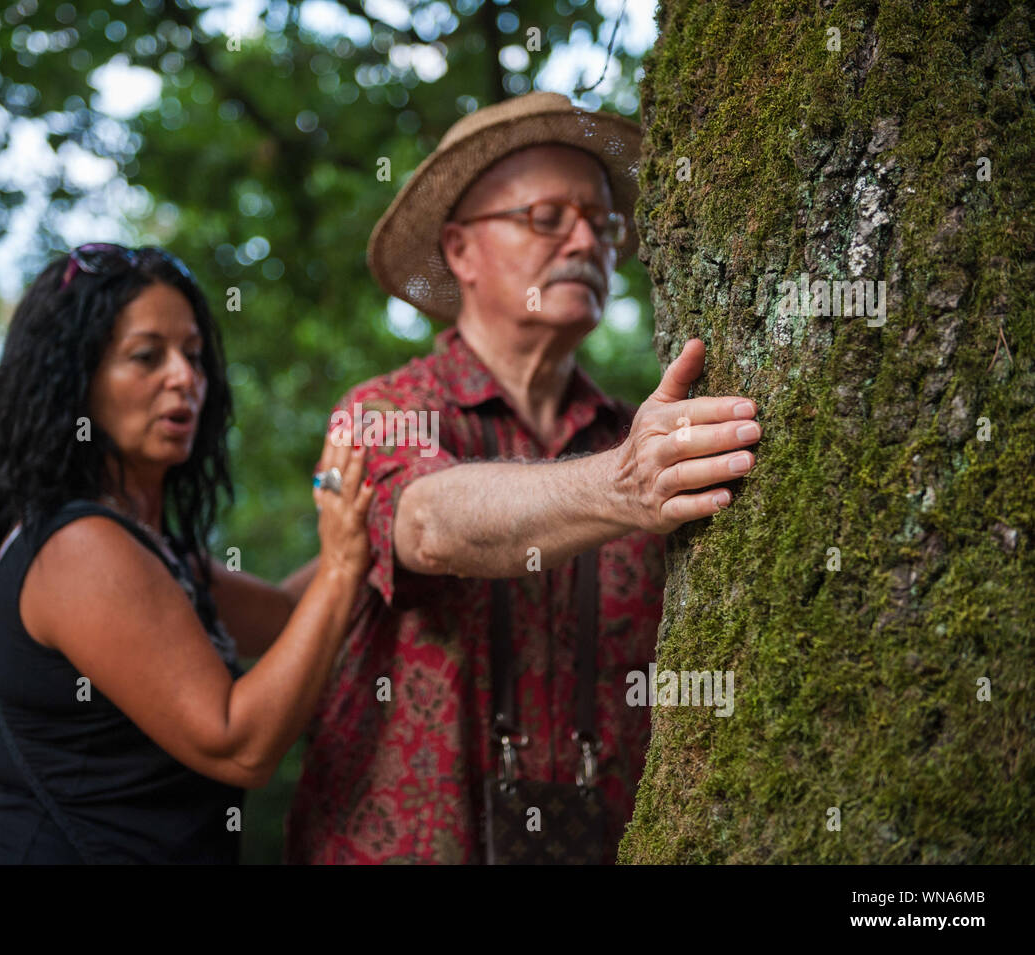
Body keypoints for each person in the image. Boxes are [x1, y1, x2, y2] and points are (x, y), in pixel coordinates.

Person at [285, 92, 763, 863]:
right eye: (546, 216)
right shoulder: (386, 409)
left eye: (603, 223)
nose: (587, 240)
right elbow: (430, 525)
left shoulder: (633, 431)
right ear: (461, 250)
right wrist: (619, 487)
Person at [0, 243, 372, 864]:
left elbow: (285, 618)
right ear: (76, 381)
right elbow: (238, 743)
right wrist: (345, 565)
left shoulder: (153, 553)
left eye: (193, 355)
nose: (185, 378)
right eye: (146, 356)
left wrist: (373, 522)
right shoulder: (81, 549)